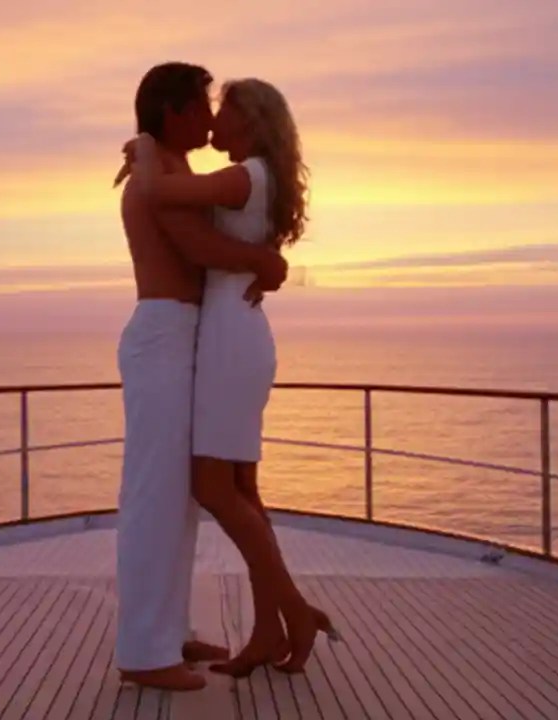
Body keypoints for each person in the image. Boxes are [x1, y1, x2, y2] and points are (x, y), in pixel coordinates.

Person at [125, 77, 338, 678]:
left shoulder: (244, 175)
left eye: (223, 109)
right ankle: (272, 627)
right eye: (205, 108)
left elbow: (171, 204)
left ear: (250, 120)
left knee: (215, 489)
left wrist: (143, 150)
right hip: (228, 334)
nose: (214, 119)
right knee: (236, 490)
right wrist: (262, 261)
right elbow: (193, 226)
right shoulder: (245, 175)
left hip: (228, 338)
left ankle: (289, 615)